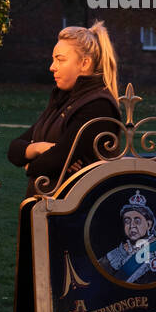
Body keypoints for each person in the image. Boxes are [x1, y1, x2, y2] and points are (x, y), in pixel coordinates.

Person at [8, 21, 121, 197]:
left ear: (84, 63)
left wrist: (31, 161)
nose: (52, 67)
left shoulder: (98, 106)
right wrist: (41, 148)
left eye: (60, 59)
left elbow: (54, 162)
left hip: (69, 214)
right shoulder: (62, 100)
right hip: (43, 208)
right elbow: (13, 150)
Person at [97, 189, 156, 283]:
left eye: (137, 221)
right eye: (127, 221)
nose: (132, 225)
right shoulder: (116, 255)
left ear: (149, 225)